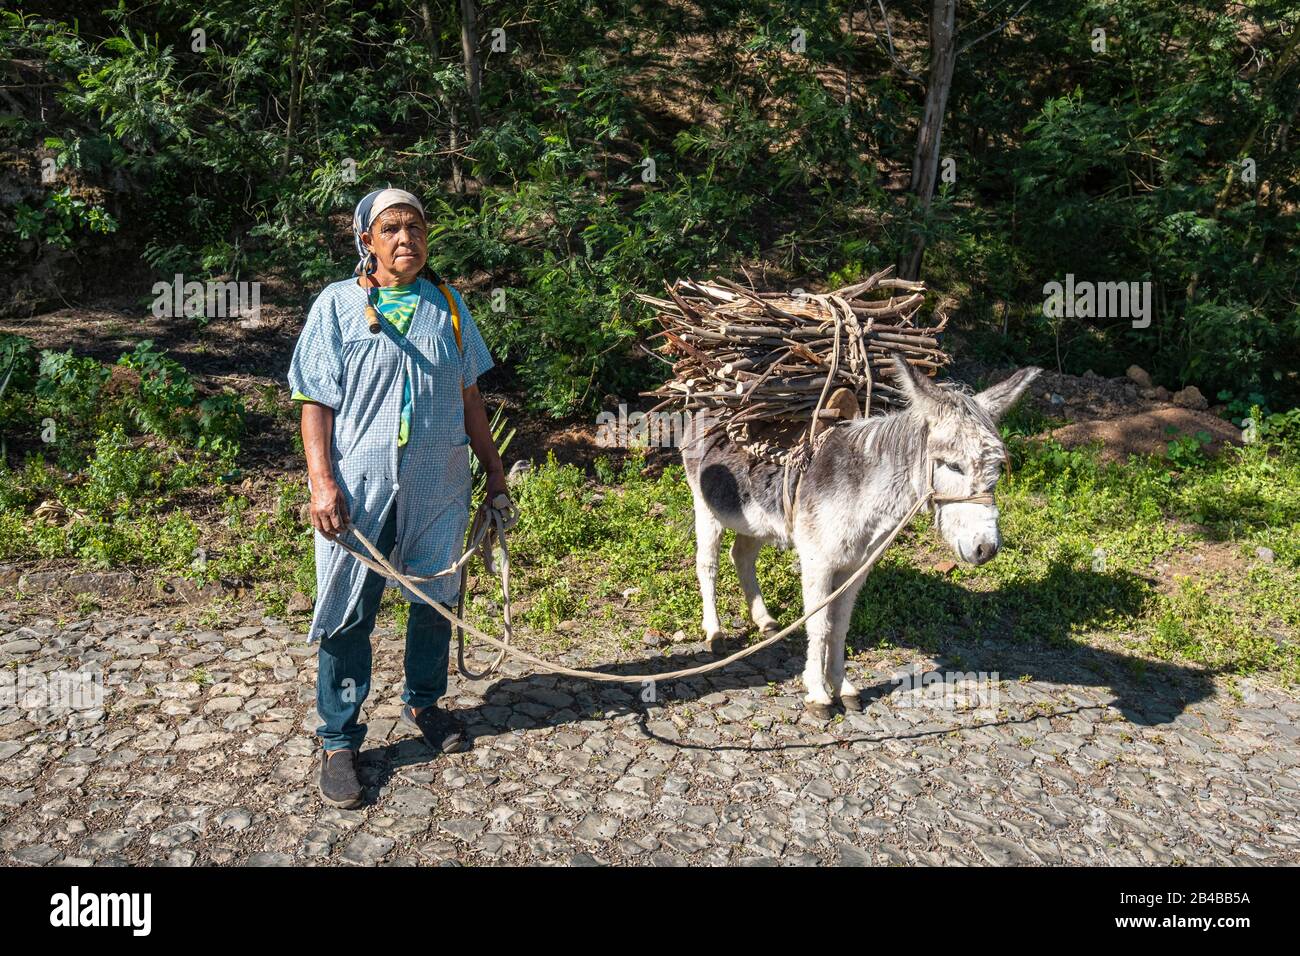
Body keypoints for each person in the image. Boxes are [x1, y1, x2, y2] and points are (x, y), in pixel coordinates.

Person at [288, 187, 509, 808]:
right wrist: (322, 483)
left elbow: (469, 399)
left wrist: (493, 473)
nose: (404, 238)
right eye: (390, 229)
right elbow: (314, 403)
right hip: (358, 488)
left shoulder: (450, 306)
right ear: (367, 241)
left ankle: (424, 703)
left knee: (436, 598)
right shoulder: (337, 307)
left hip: (439, 482)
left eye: (414, 226)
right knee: (349, 608)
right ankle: (339, 740)